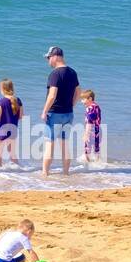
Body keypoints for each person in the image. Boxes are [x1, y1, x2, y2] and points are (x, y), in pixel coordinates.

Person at [40, 46, 81, 176]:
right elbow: (78, 91)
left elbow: (52, 95)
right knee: (65, 144)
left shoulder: (55, 74)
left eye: (49, 58)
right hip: (68, 113)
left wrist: (44, 111)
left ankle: (45, 173)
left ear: (56, 56)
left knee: (49, 144)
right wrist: (72, 105)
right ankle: (65, 172)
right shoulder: (72, 72)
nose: (48, 61)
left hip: (54, 113)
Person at [81, 89, 103, 164]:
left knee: (87, 149)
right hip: (97, 130)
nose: (82, 101)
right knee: (96, 149)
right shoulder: (96, 106)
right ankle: (97, 165)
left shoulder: (90, 109)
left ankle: (88, 165)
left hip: (91, 131)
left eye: (83, 99)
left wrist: (86, 134)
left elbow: (89, 123)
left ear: (90, 99)